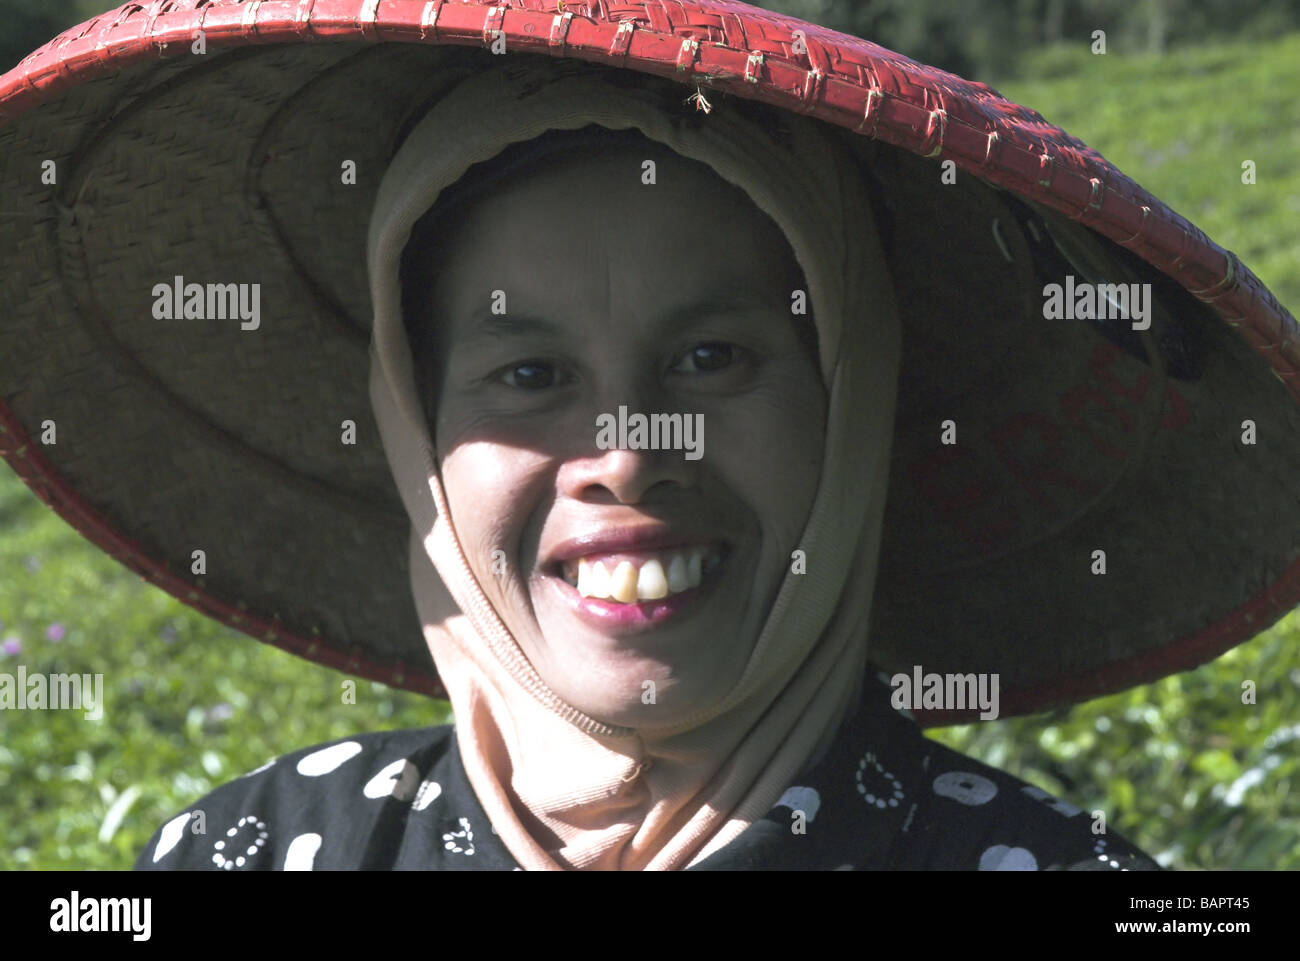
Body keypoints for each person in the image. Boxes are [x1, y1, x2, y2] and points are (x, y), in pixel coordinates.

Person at [0, 1, 1294, 871]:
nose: (624, 446)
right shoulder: (258, 850)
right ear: (418, 432)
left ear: (851, 408)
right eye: (527, 370)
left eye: (712, 356)